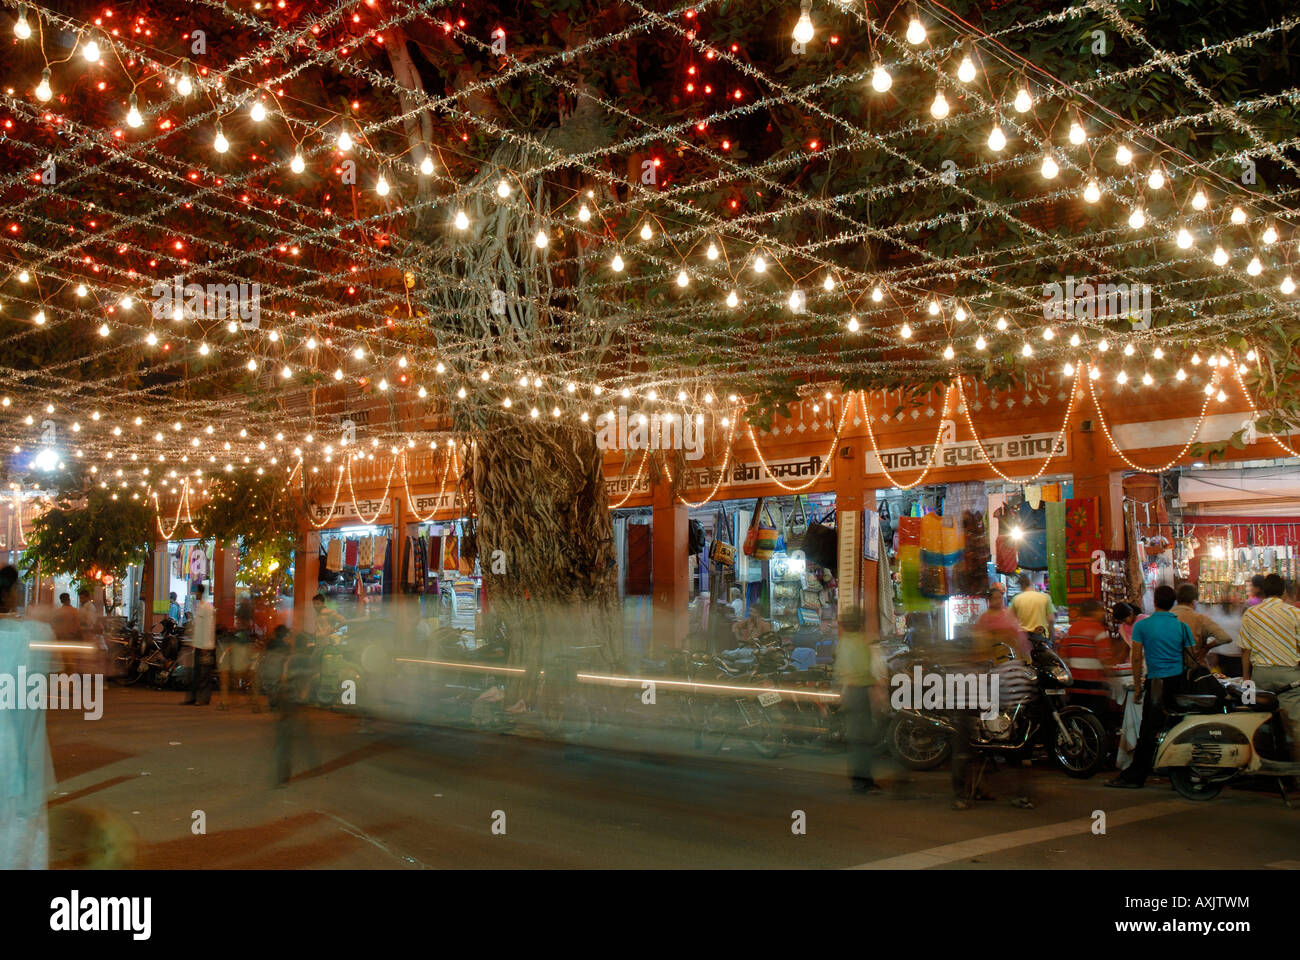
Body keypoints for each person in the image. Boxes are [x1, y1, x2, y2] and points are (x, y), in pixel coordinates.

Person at [1107, 584, 1196, 788]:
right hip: (1178, 683)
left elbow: (1136, 658)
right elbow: (1191, 658)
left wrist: (1138, 687)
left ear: (1155, 602)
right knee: (1178, 728)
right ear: (1173, 603)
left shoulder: (1143, 626)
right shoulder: (1181, 626)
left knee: (1148, 731)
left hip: (1156, 683)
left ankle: (1136, 776)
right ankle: (1179, 774)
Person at [0, 565, 55, 868]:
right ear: (9, 595)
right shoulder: (31, 636)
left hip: (13, 747)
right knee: (19, 834)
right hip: (14, 751)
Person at [1239, 573, 1300, 765]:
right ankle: (1297, 776)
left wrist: (1247, 678)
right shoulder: (1294, 613)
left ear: (1263, 592)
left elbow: (1245, 650)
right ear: (1283, 592)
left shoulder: (1251, 613)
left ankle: (1263, 767)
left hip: (1261, 676)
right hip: (1288, 677)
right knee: (1296, 727)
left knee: (1262, 722)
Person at [833, 609, 885, 794]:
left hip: (850, 693)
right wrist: (877, 694)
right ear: (859, 623)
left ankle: (863, 780)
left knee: (858, 739)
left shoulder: (844, 642)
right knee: (862, 740)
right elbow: (866, 673)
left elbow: (839, 670)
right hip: (860, 693)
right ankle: (862, 783)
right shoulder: (860, 643)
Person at [1059, 599, 1124, 708]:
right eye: (1100, 611)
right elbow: (1105, 659)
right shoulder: (1098, 630)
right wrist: (1113, 679)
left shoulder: (1072, 629)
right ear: (1094, 612)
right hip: (1095, 685)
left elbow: (1063, 655)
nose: (1102, 614)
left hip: (1075, 684)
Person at [1171, 583, 1235, 664]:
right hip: (1194, 667)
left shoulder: (1167, 617)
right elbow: (1225, 638)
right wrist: (1206, 648)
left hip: (1171, 667)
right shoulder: (1200, 618)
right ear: (1193, 600)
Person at [973, 582, 1030, 661]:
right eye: (995, 598)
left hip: (1014, 654)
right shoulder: (985, 617)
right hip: (997, 655)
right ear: (989, 600)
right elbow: (982, 641)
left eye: (1000, 598)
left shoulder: (1008, 612)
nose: (998, 601)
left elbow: (1019, 633)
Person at [182, 583, 216, 706]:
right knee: (196, 673)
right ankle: (193, 697)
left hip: (205, 647)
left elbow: (208, 629)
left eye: (197, 592)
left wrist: (205, 647)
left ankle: (203, 698)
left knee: (204, 674)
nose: (195, 594)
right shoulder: (200, 607)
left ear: (201, 593)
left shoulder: (208, 608)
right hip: (198, 646)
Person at [1009, 573, 1054, 643]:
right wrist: (1051, 637)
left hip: (1023, 639)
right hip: (1041, 638)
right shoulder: (1045, 597)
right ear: (1031, 583)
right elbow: (1051, 620)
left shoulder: (1016, 599)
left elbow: (1010, 621)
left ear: (1020, 586)